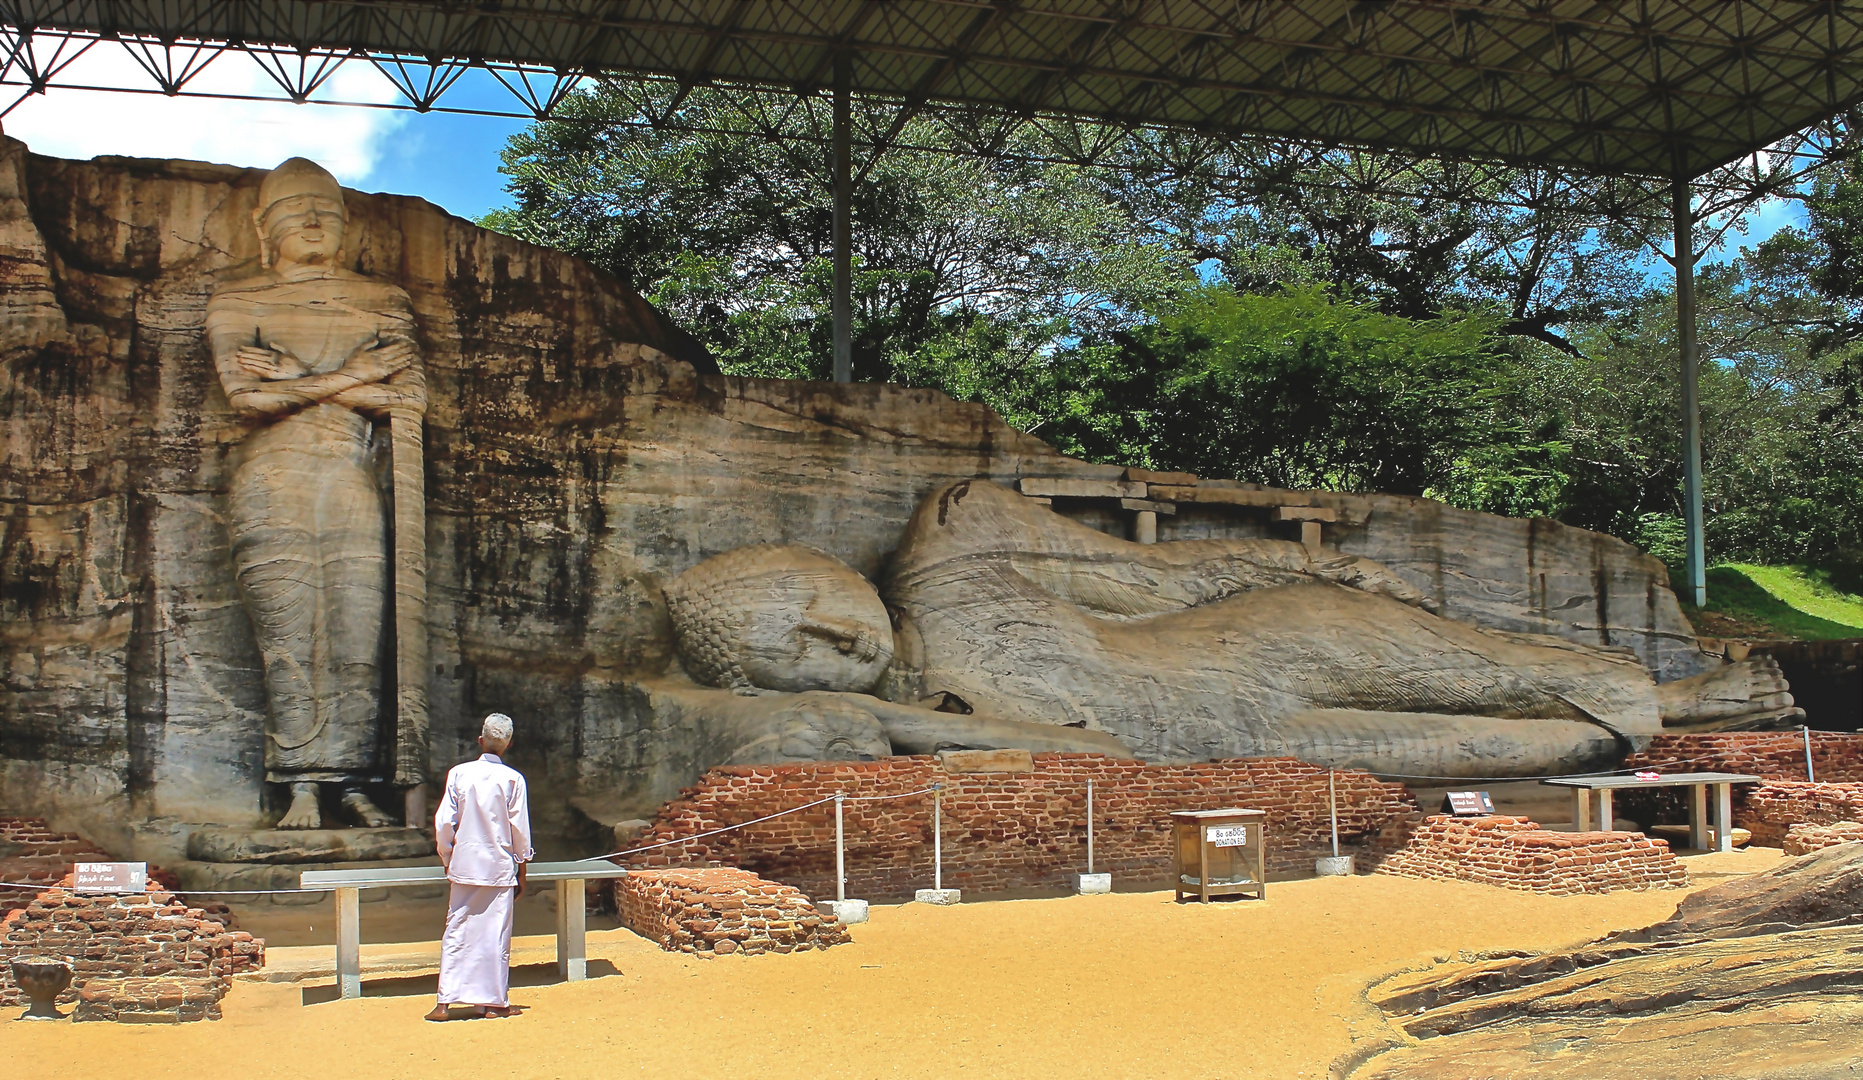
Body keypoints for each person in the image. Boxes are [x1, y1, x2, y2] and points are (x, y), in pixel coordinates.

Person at [205, 156, 426, 830]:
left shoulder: (381, 299)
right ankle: (301, 782)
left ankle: (355, 780)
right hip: (271, 482)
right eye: (293, 213)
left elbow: (412, 398)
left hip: (352, 477)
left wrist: (296, 378)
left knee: (359, 633)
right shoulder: (239, 300)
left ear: (346, 225)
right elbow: (244, 399)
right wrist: (354, 375)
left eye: (325, 212)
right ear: (263, 228)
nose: (310, 222)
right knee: (289, 633)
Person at [428, 713, 533, 1021]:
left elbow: (444, 822)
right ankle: (493, 1002)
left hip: (464, 865)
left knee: (457, 930)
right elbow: (519, 830)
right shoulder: (513, 779)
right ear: (509, 744)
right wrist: (522, 868)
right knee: (494, 935)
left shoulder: (459, 774)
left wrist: (448, 857)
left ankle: (444, 1002)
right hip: (499, 868)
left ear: (480, 739)